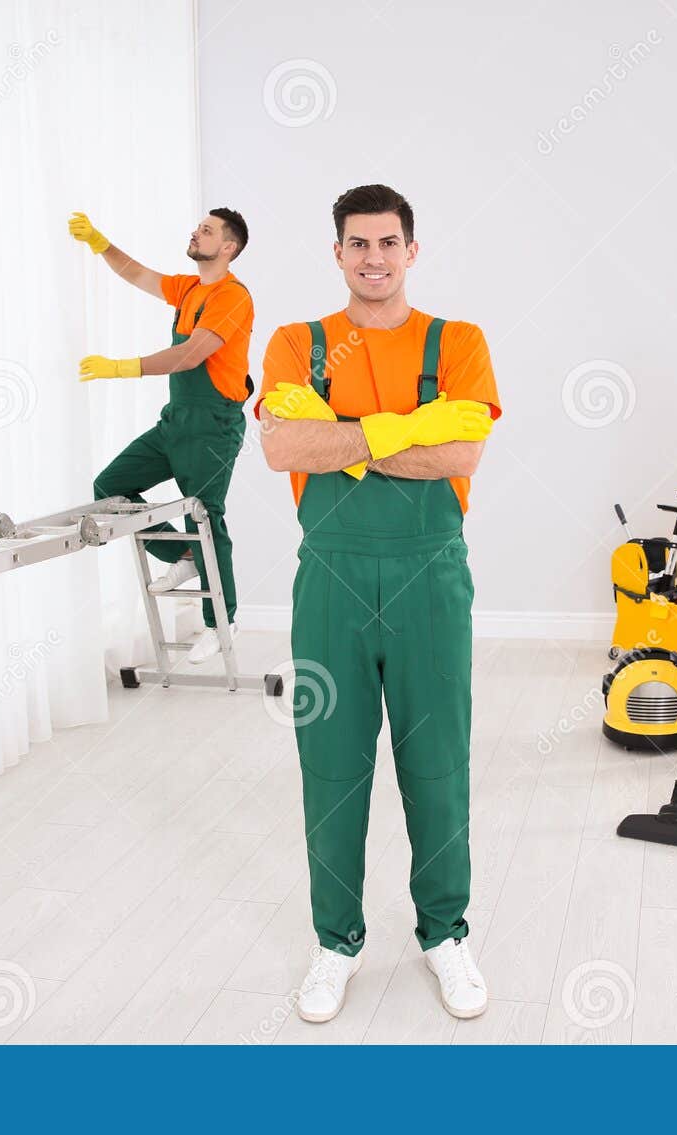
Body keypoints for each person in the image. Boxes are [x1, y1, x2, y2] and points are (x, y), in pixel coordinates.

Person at [256, 184, 500, 1023]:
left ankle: (445, 933)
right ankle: (336, 942)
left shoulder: (457, 341)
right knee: (331, 764)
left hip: (432, 577)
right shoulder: (297, 342)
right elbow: (282, 446)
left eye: (388, 242)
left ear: (411, 250)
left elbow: (462, 451)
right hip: (331, 579)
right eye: (357, 243)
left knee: (438, 763)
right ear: (337, 253)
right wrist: (409, 425)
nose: (374, 257)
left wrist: (342, 435)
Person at [71, 208, 254, 664]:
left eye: (206, 230)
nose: (196, 232)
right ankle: (184, 555)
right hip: (174, 423)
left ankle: (222, 621)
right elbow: (137, 274)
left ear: (228, 247)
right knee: (110, 488)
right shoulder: (189, 288)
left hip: (212, 427)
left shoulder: (232, 297)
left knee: (204, 516)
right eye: (198, 227)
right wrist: (100, 243)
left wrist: (122, 368)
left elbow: (191, 354)